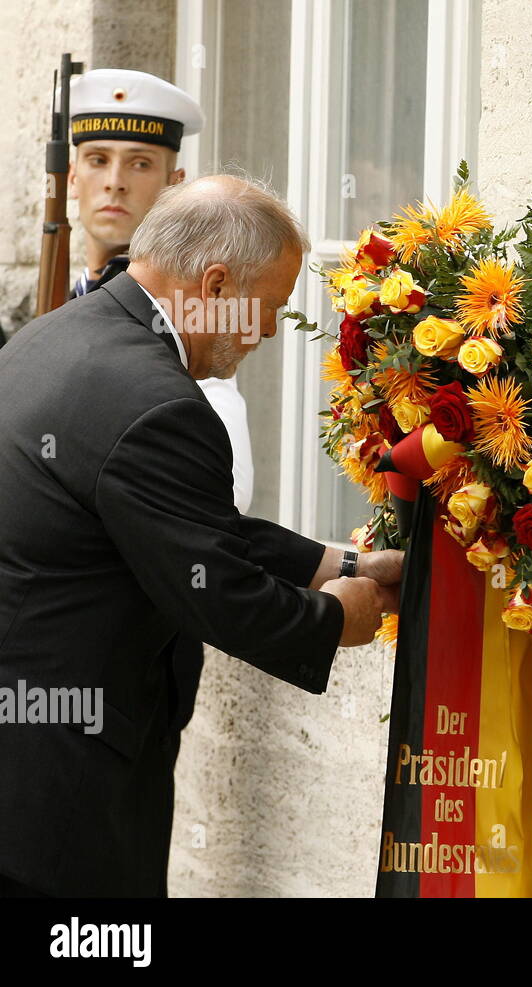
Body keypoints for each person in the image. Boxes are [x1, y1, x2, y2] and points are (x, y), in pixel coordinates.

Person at [0, 175, 401, 898]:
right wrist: (341, 615)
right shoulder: (158, 401)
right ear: (216, 284)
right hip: (61, 797)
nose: (272, 330)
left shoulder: (60, 335)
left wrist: (341, 561)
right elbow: (222, 596)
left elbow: (176, 521)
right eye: (272, 307)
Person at [65, 67, 254, 738]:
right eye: (97, 159)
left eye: (140, 163)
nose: (114, 180)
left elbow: (217, 522)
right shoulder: (48, 320)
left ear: (175, 190)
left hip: (122, 683)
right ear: (71, 180)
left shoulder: (187, 337)